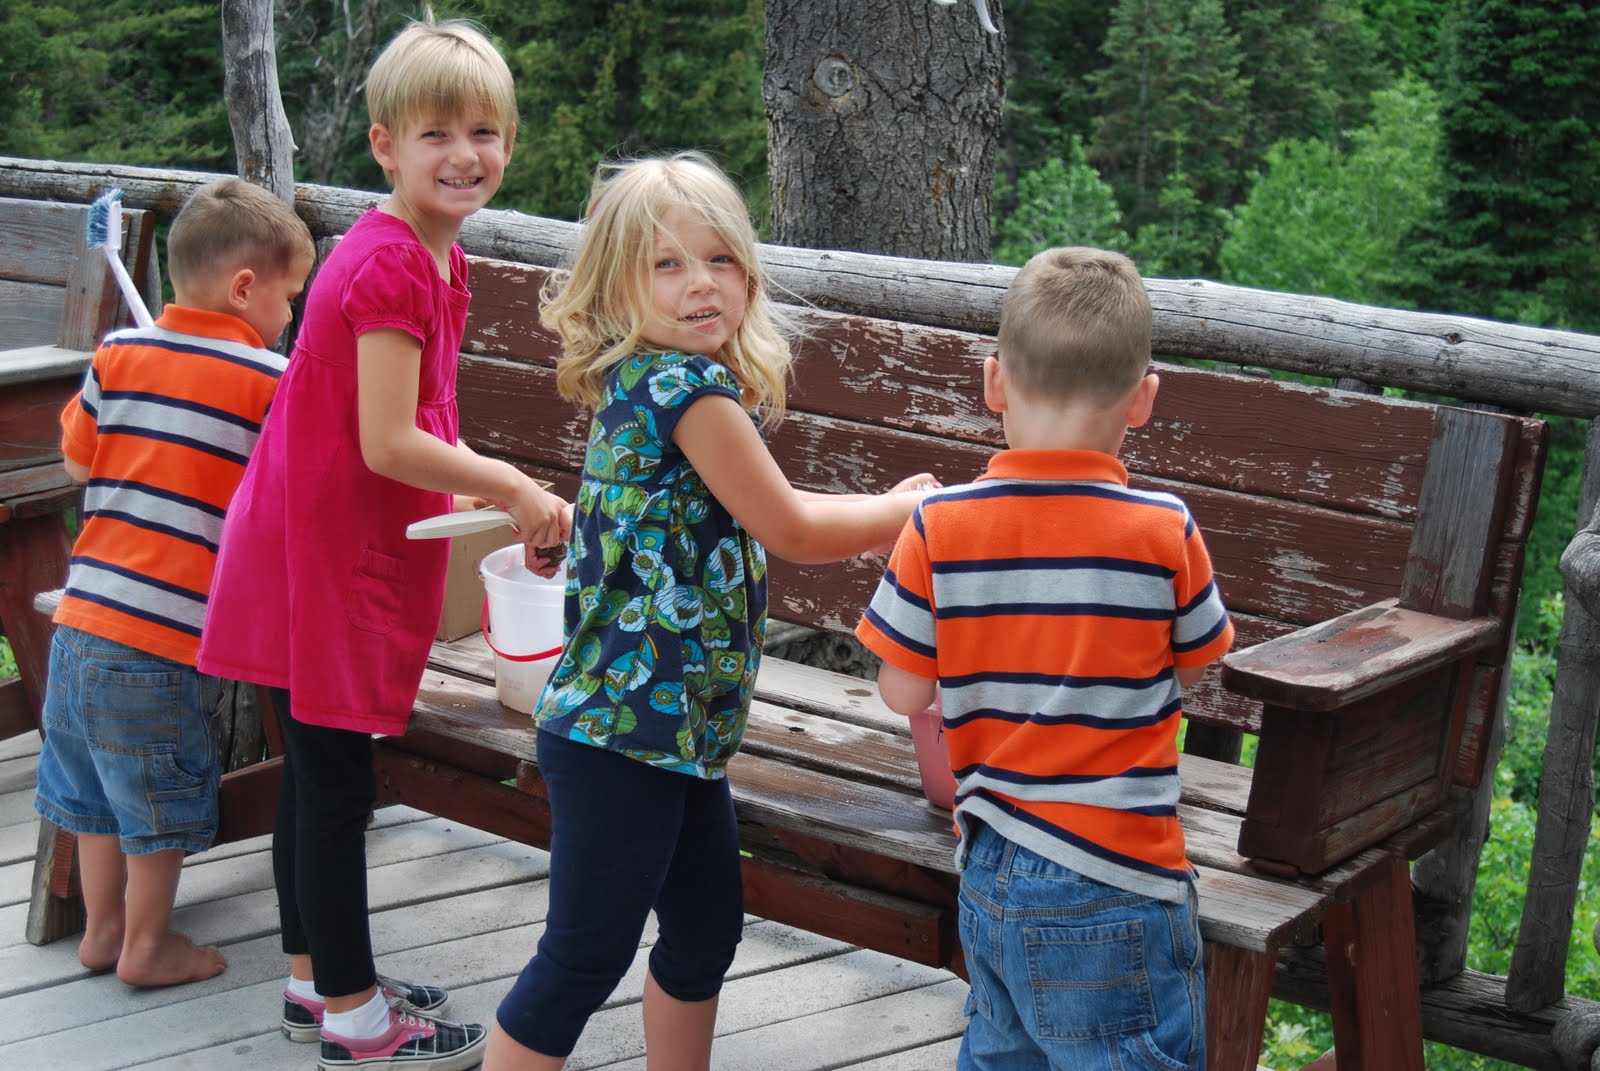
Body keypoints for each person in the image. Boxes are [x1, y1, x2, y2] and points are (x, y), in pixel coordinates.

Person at [482, 151, 937, 1071]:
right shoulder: (688, 391)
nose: (701, 283)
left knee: (704, 930)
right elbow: (792, 525)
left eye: (720, 258)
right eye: (668, 264)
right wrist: (908, 511)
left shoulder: (639, 380)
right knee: (583, 956)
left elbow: (656, 522)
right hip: (623, 736)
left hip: (677, 731)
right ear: (616, 286)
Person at [197, 17, 568, 1071]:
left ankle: (316, 983)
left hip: (313, 547)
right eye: (435, 133)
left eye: (484, 131)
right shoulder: (393, 266)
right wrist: (512, 485)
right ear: (384, 145)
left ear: (509, 142)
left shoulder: (429, 253)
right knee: (334, 787)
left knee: (316, 777)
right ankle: (357, 1019)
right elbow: (388, 440)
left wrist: (489, 491)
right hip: (317, 559)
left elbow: (416, 417)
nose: (464, 154)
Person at [855, 246, 1235, 1071]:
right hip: (1119, 874)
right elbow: (1193, 667)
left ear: (994, 382)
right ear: (1143, 399)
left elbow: (902, 691)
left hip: (991, 865)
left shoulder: (937, 525)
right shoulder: (1166, 529)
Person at [35, 177, 315, 988]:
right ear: (245, 288)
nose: (290, 315)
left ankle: (103, 930)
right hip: (162, 639)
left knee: (94, 789)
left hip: (81, 620)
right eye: (289, 296)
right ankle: (148, 944)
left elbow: (77, 462)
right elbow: (289, 497)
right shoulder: (270, 381)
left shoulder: (118, 354)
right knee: (156, 803)